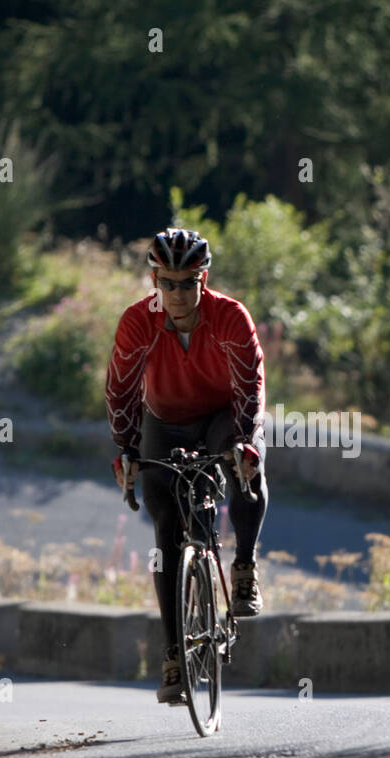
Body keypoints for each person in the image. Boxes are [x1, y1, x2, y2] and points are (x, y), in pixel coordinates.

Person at [105, 228, 269, 704]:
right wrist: (127, 450)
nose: (177, 294)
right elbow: (121, 391)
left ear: (204, 279)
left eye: (187, 282)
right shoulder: (138, 321)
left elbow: (250, 386)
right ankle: (175, 656)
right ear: (155, 280)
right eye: (167, 283)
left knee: (244, 472)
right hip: (165, 421)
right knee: (166, 527)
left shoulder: (231, 317)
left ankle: (243, 566)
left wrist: (244, 443)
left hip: (224, 415)